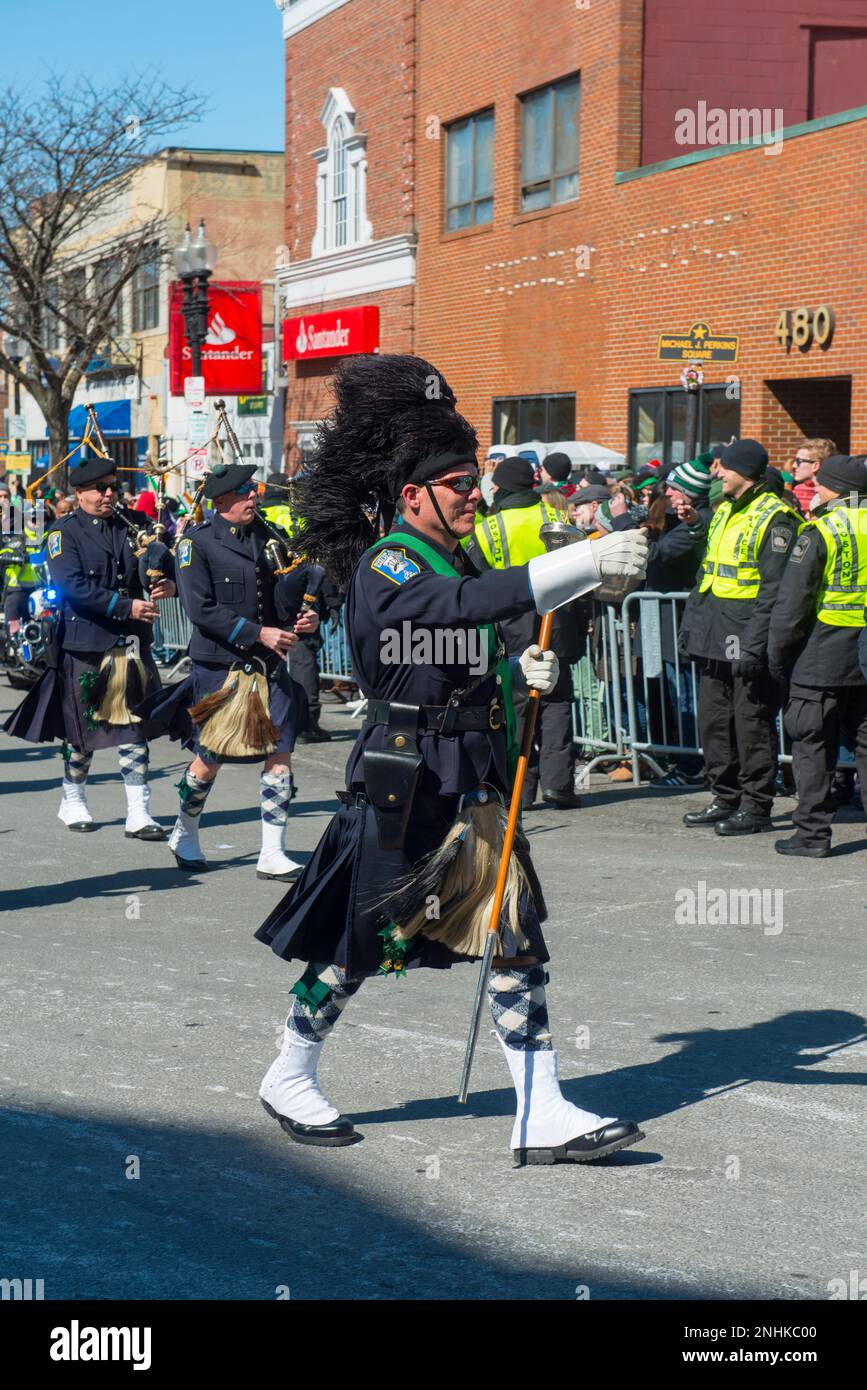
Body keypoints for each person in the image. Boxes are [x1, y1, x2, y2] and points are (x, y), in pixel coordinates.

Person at [254, 353, 649, 1164]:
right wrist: (574, 565)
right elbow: (445, 615)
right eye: (461, 483)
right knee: (356, 946)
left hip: (468, 776)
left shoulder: (453, 557)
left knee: (513, 936)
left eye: (475, 482)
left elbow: (461, 646)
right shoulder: (390, 562)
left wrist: (519, 672)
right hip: (402, 778)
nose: (475, 494)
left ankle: (540, 1108)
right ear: (413, 496)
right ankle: (288, 1071)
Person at [162, 462, 319, 881]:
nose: (255, 495)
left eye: (254, 488)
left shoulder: (269, 537)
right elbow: (200, 610)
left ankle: (272, 850)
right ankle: (185, 830)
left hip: (269, 665)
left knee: (280, 751)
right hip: (222, 666)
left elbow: (286, 596)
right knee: (210, 758)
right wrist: (258, 633)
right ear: (221, 501)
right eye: (246, 490)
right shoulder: (195, 545)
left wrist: (307, 617)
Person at [3, 456, 173, 837]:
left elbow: (156, 563)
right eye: (100, 488)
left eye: (112, 486)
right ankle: (73, 795)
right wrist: (125, 605)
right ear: (79, 493)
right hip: (84, 644)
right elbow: (73, 587)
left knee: (134, 727)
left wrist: (166, 580)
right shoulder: (63, 533)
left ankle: (138, 810)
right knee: (83, 733)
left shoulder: (133, 526)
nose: (109, 494)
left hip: (127, 642)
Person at [679, 439, 802, 835]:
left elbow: (775, 589)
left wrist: (756, 643)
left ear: (745, 473)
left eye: (725, 469)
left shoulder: (776, 517)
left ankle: (756, 807)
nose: (718, 473)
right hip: (714, 627)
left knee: (751, 722)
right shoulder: (724, 510)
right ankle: (724, 797)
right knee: (714, 720)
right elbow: (707, 574)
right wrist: (690, 626)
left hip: (748, 629)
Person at [464, 457, 582, 810]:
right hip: (555, 616)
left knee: (516, 702)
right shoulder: (557, 519)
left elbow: (474, 581)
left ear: (501, 487)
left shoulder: (488, 527)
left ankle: (521, 789)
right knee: (557, 699)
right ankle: (559, 785)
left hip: (510, 619)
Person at [768, 454, 867, 857]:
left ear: (835, 489)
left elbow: (793, 604)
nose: (816, 489)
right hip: (863, 656)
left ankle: (812, 835)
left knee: (811, 745)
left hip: (822, 656)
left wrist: (777, 655)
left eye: (822, 483)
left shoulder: (820, 531)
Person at [790, 439, 837, 518]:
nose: (794, 465)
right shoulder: (817, 498)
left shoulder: (828, 498)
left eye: (798, 461)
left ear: (815, 466)